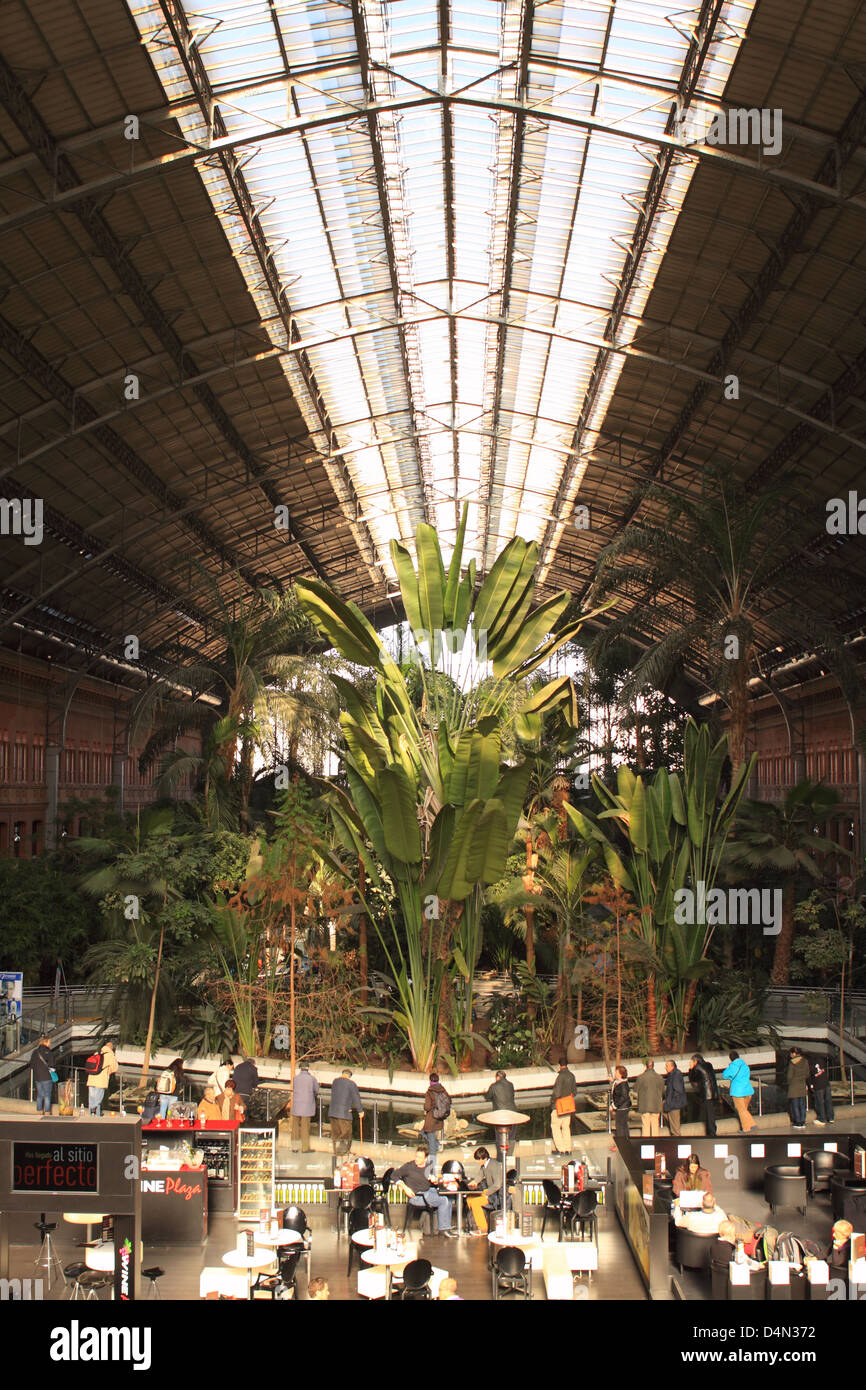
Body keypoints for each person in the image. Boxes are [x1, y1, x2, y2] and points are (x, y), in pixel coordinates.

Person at [393, 1148, 456, 1237]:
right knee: (443, 1200)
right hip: (417, 1196)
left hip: (428, 1191)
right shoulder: (409, 1167)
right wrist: (405, 1187)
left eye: (420, 1157)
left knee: (449, 1197)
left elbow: (427, 1178)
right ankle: (443, 1230)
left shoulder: (428, 1166)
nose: (417, 1159)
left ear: (425, 1159)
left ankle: (447, 1226)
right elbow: (394, 1175)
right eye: (416, 1156)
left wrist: (434, 1180)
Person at [465, 1147, 505, 1234]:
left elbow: (497, 1185)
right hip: (490, 1193)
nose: (477, 1162)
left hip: (495, 1195)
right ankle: (474, 1223)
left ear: (485, 1158)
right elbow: (480, 1175)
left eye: (478, 1160)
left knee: (475, 1202)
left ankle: (483, 1228)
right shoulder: (484, 1165)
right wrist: (474, 1182)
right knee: (469, 1199)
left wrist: (487, 1192)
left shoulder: (494, 1166)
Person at [329, 1069, 365, 1155]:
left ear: (342, 1074)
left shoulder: (335, 1082)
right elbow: (356, 1098)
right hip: (344, 1114)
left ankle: (336, 1151)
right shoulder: (351, 1084)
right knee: (347, 1132)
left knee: (336, 1132)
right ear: (349, 1076)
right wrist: (360, 1111)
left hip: (332, 1112)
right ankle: (342, 1151)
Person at [484, 1070, 517, 1159]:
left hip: (500, 1115)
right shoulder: (511, 1085)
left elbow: (487, 1096)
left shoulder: (494, 1086)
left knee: (500, 1136)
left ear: (497, 1077)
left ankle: (501, 1157)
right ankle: (509, 1156)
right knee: (511, 1136)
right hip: (512, 1114)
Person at [722, 1050, 756, 1133]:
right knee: (744, 1110)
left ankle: (747, 1127)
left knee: (741, 1111)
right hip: (748, 1090)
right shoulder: (745, 1065)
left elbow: (724, 1075)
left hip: (738, 1092)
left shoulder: (732, 1066)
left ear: (730, 1058)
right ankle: (750, 1125)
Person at [550, 1056, 577, 1155]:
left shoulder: (560, 1077)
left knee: (555, 1126)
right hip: (568, 1106)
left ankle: (561, 1149)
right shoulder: (572, 1076)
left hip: (558, 1106)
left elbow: (557, 1093)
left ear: (559, 1065)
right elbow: (574, 1092)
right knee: (566, 1127)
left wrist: (552, 1101)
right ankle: (568, 1148)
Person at [290, 1063, 319, 1153]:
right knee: (305, 1127)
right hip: (307, 1106)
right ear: (308, 1069)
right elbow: (316, 1090)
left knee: (295, 1127)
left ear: (300, 1069)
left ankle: (294, 1147)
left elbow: (294, 1088)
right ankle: (305, 1148)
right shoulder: (312, 1079)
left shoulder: (296, 1078)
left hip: (296, 1106)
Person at [689, 1054, 719, 1136]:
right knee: (711, 1114)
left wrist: (691, 1069)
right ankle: (712, 1131)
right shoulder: (709, 1065)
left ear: (695, 1061)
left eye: (691, 1062)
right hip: (714, 1093)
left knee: (709, 1115)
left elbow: (692, 1078)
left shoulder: (697, 1068)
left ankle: (712, 1133)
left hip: (707, 1095)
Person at [423, 1072, 450, 1162]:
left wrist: (428, 1107)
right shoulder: (443, 1090)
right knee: (423, 1132)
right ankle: (437, 1145)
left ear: (430, 1081)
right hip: (440, 1118)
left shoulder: (429, 1092)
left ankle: (432, 1164)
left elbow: (427, 1107)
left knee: (430, 1139)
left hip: (431, 1118)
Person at [86, 1041, 117, 1117]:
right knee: (98, 1099)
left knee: (92, 1098)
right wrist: (109, 1070)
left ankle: (91, 1114)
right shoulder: (110, 1055)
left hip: (91, 1079)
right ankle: (97, 1115)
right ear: (112, 1048)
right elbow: (115, 1067)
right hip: (100, 1081)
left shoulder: (97, 1053)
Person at [635, 1060, 666, 1137]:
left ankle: (646, 1144)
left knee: (645, 1126)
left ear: (645, 1066)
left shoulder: (641, 1077)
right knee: (655, 1125)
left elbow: (635, 1089)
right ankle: (655, 1143)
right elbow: (663, 1090)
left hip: (644, 1105)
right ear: (653, 1066)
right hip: (656, 1105)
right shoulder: (660, 1077)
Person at [30, 1034, 56, 1118]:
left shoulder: (35, 1052)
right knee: (47, 1095)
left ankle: (39, 1111)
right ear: (47, 1042)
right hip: (47, 1077)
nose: (50, 1043)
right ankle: (47, 1112)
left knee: (40, 1094)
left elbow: (32, 1065)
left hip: (37, 1077)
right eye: (49, 1042)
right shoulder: (49, 1052)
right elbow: (52, 1065)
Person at [786, 1047, 810, 1129]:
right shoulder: (805, 1061)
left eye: (791, 1054)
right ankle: (803, 1121)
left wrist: (789, 1082)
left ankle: (798, 1122)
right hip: (802, 1085)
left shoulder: (792, 1063)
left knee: (795, 1105)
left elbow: (789, 1076)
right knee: (802, 1105)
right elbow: (807, 1074)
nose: (790, 1055)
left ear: (794, 1054)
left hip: (794, 1087)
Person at [809, 1055, 834, 1126]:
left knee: (820, 1102)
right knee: (828, 1100)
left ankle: (822, 1118)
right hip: (826, 1083)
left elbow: (808, 1076)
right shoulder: (821, 1061)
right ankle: (831, 1117)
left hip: (818, 1085)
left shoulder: (809, 1064)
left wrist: (810, 1085)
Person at [663, 1059, 686, 1136]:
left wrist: (671, 1102)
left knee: (675, 1128)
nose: (665, 1068)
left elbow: (678, 1090)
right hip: (672, 1103)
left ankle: (677, 1142)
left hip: (674, 1104)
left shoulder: (675, 1075)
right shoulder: (672, 1074)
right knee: (662, 1108)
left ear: (672, 1066)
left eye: (667, 1066)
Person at [610, 1065, 631, 1146]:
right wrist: (612, 1081)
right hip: (623, 1106)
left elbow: (623, 1097)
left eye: (616, 1072)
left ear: (620, 1074)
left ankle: (621, 1144)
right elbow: (616, 1085)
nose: (615, 1074)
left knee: (620, 1125)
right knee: (624, 1124)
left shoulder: (623, 1085)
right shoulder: (619, 1082)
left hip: (622, 1107)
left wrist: (614, 1106)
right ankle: (626, 1142)